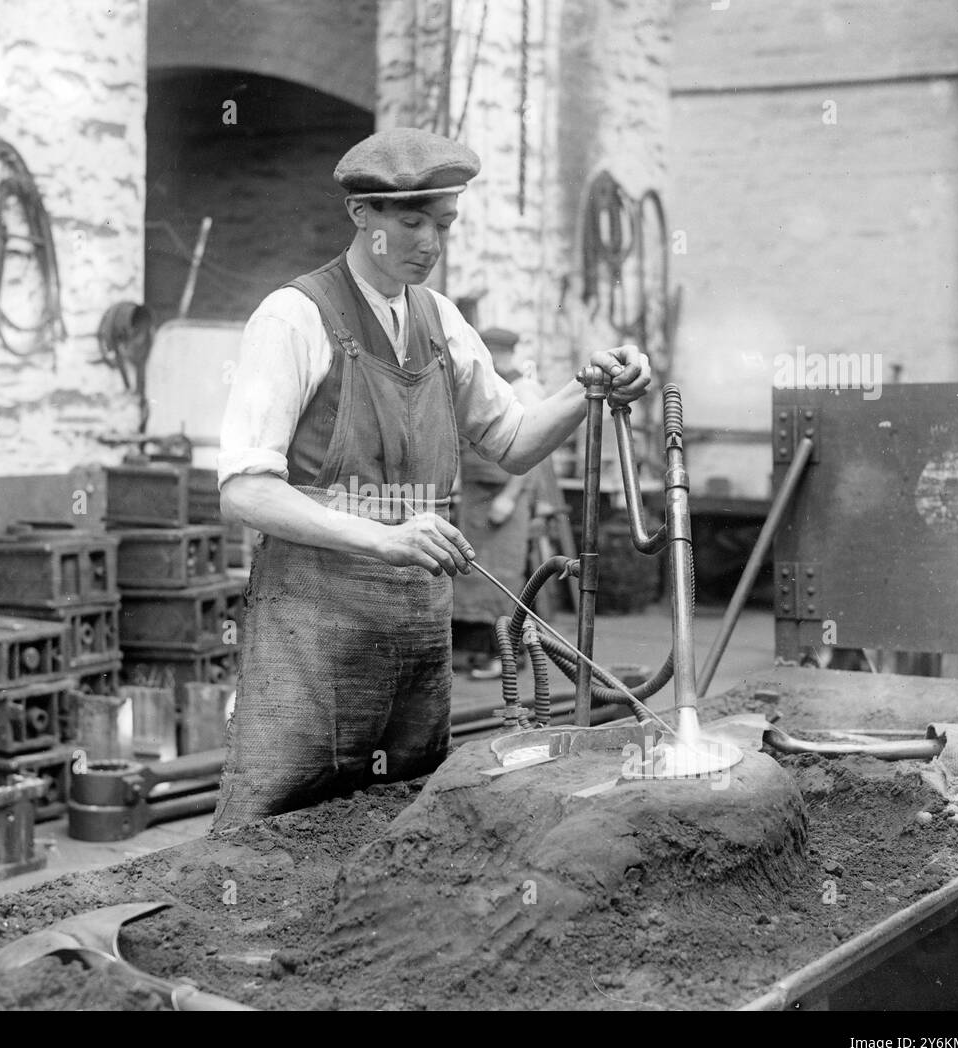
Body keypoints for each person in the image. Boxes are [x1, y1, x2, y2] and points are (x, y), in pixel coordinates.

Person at [212, 128, 650, 828]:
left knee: (402, 828)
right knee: (273, 832)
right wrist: (384, 540)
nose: (430, 242)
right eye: (411, 223)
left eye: (442, 224)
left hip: (417, 637)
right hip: (312, 632)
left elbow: (511, 440)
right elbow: (244, 490)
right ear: (362, 215)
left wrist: (591, 386)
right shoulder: (293, 317)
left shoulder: (441, 319)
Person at [451, 327, 546, 678]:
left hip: (506, 496)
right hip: (476, 496)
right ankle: (486, 653)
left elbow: (533, 451)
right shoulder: (485, 386)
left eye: (501, 352)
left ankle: (507, 658)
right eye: (490, 351)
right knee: (474, 577)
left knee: (501, 579)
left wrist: (509, 498)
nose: (496, 358)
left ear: (511, 353)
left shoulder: (525, 389)